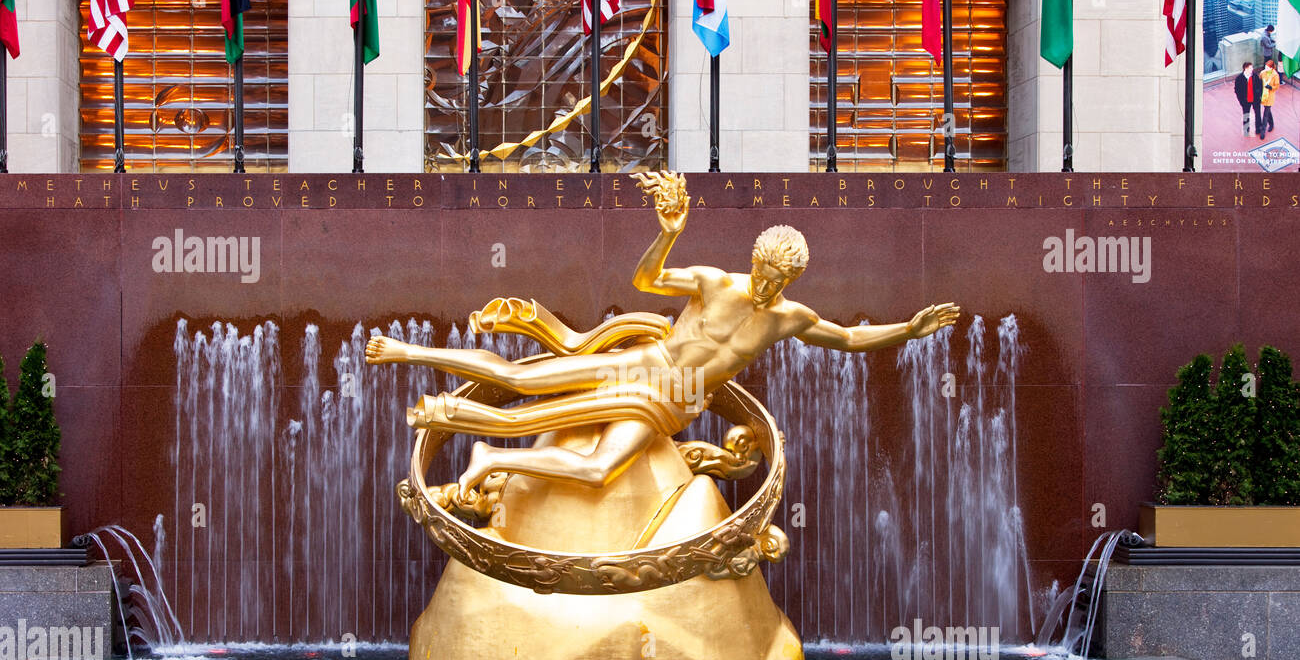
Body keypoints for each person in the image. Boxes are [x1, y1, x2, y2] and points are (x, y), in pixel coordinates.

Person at [365, 172, 960, 494]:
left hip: (673, 405)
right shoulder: (713, 281)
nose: (761, 282)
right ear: (752, 260)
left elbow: (850, 340)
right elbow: (645, 278)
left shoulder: (789, 318)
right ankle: (407, 352)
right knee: (524, 378)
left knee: (599, 470)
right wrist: (669, 231)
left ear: (792, 277)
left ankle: (489, 454)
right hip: (641, 365)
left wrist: (908, 329)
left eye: (775, 277)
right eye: (759, 269)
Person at [1235, 62, 1265, 140]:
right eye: (1251, 68)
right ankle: (1246, 130)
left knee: (1258, 114)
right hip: (1245, 101)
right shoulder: (1239, 78)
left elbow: (1260, 86)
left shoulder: (1255, 76)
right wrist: (1241, 101)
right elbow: (1237, 91)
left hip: (1255, 99)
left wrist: (1259, 95)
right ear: (1246, 68)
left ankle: (1258, 128)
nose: (1252, 69)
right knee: (1246, 115)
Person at [1261, 58, 1280, 136]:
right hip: (1263, 95)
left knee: (1265, 113)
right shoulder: (1262, 73)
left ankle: (1263, 131)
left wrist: (1271, 87)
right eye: (1265, 67)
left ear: (1271, 68)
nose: (1266, 68)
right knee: (1268, 110)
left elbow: (1277, 86)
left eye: (1267, 67)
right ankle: (1271, 124)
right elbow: (1259, 81)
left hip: (1270, 95)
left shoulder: (1275, 75)